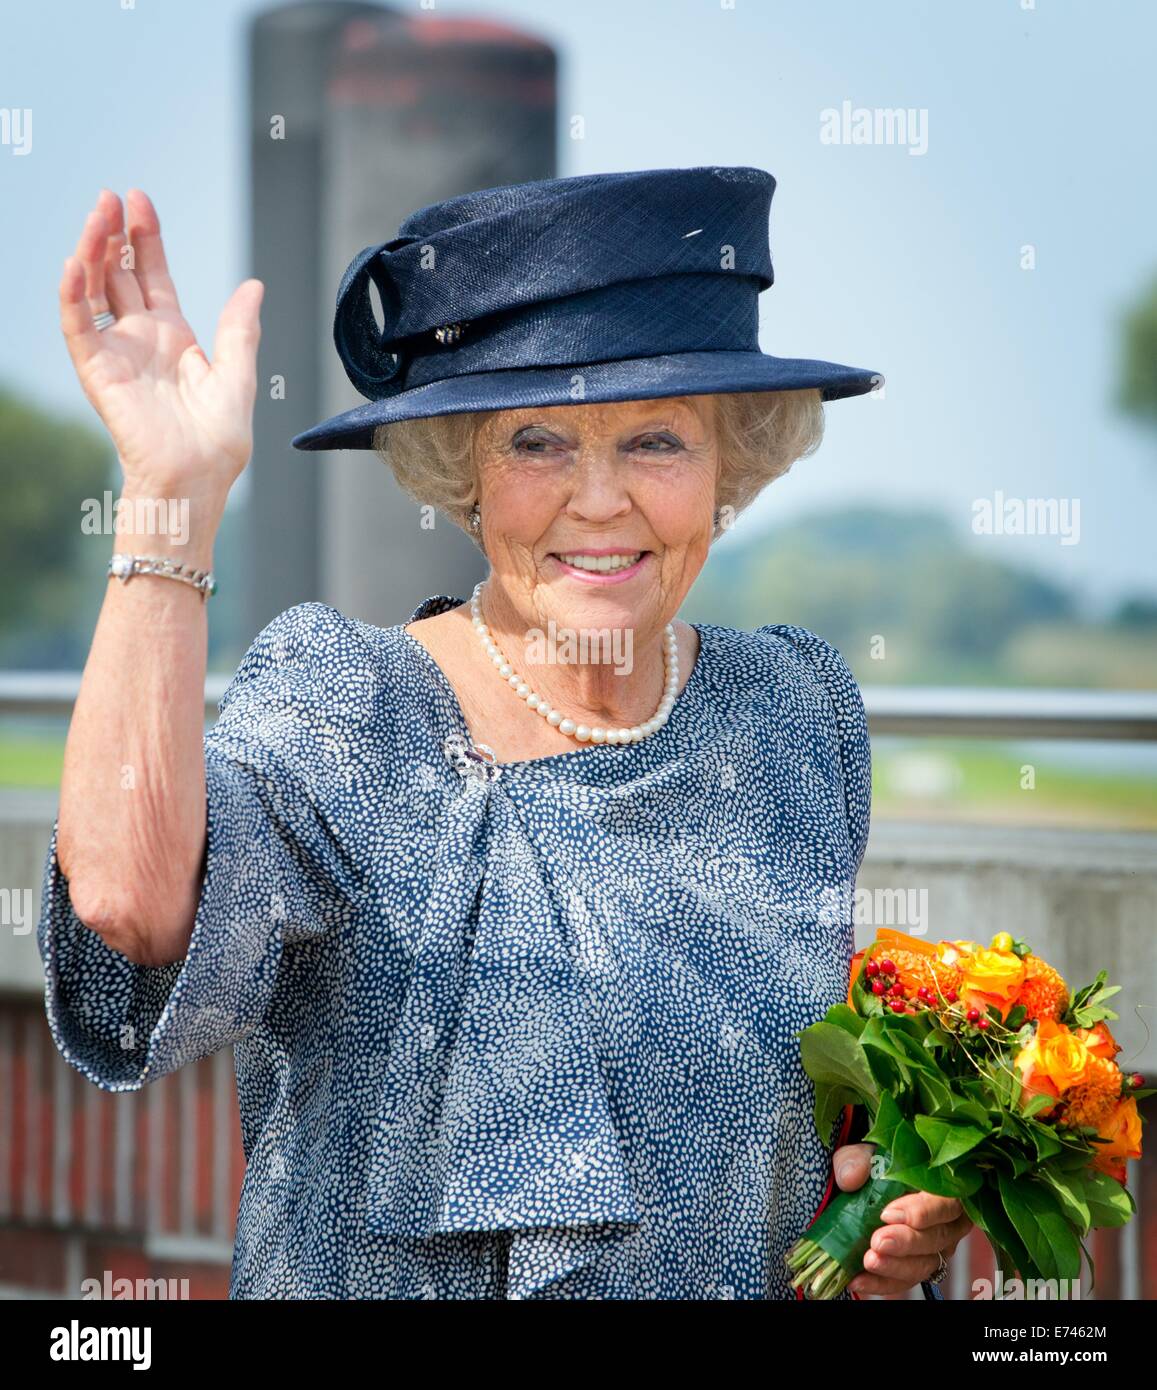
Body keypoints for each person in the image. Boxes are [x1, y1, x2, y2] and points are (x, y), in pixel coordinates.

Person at [40, 167, 971, 1299]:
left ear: (731, 462)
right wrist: (169, 495)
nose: (596, 500)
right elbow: (129, 905)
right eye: (536, 441)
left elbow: (809, 1114)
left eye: (655, 441)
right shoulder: (350, 704)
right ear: (462, 471)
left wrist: (886, 1210)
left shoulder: (791, 710)